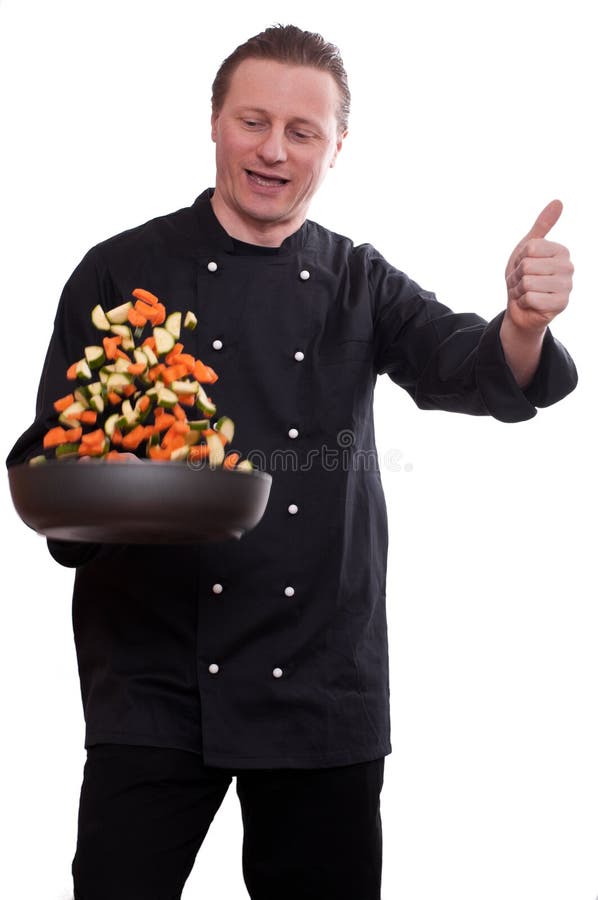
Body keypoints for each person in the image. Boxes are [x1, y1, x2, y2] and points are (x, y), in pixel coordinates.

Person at [7, 23, 577, 900]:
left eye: (302, 132)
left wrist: (524, 326)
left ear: (337, 147)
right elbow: (59, 456)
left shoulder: (359, 280)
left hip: (321, 678)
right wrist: (109, 476)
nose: (273, 151)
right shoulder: (120, 272)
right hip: (152, 673)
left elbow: (467, 362)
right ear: (214, 123)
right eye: (252, 122)